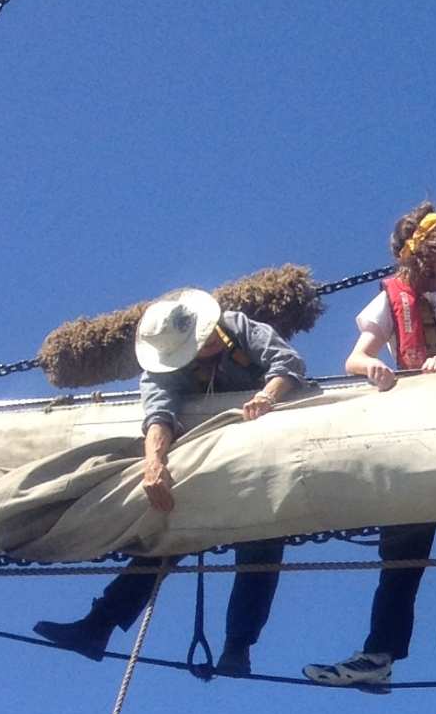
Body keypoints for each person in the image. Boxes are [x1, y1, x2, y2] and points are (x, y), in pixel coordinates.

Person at [33, 287, 303, 675]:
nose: (207, 343)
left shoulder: (239, 329)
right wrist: (154, 465)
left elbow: (287, 362)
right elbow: (159, 416)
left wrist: (267, 396)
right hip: (202, 464)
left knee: (261, 544)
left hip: (260, 460)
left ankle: (237, 648)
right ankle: (98, 627)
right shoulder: (163, 369)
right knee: (162, 536)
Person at [304, 203, 436, 692]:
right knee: (402, 552)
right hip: (413, 433)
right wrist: (374, 369)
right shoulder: (391, 297)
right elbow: (357, 357)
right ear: (426, 246)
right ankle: (379, 653)